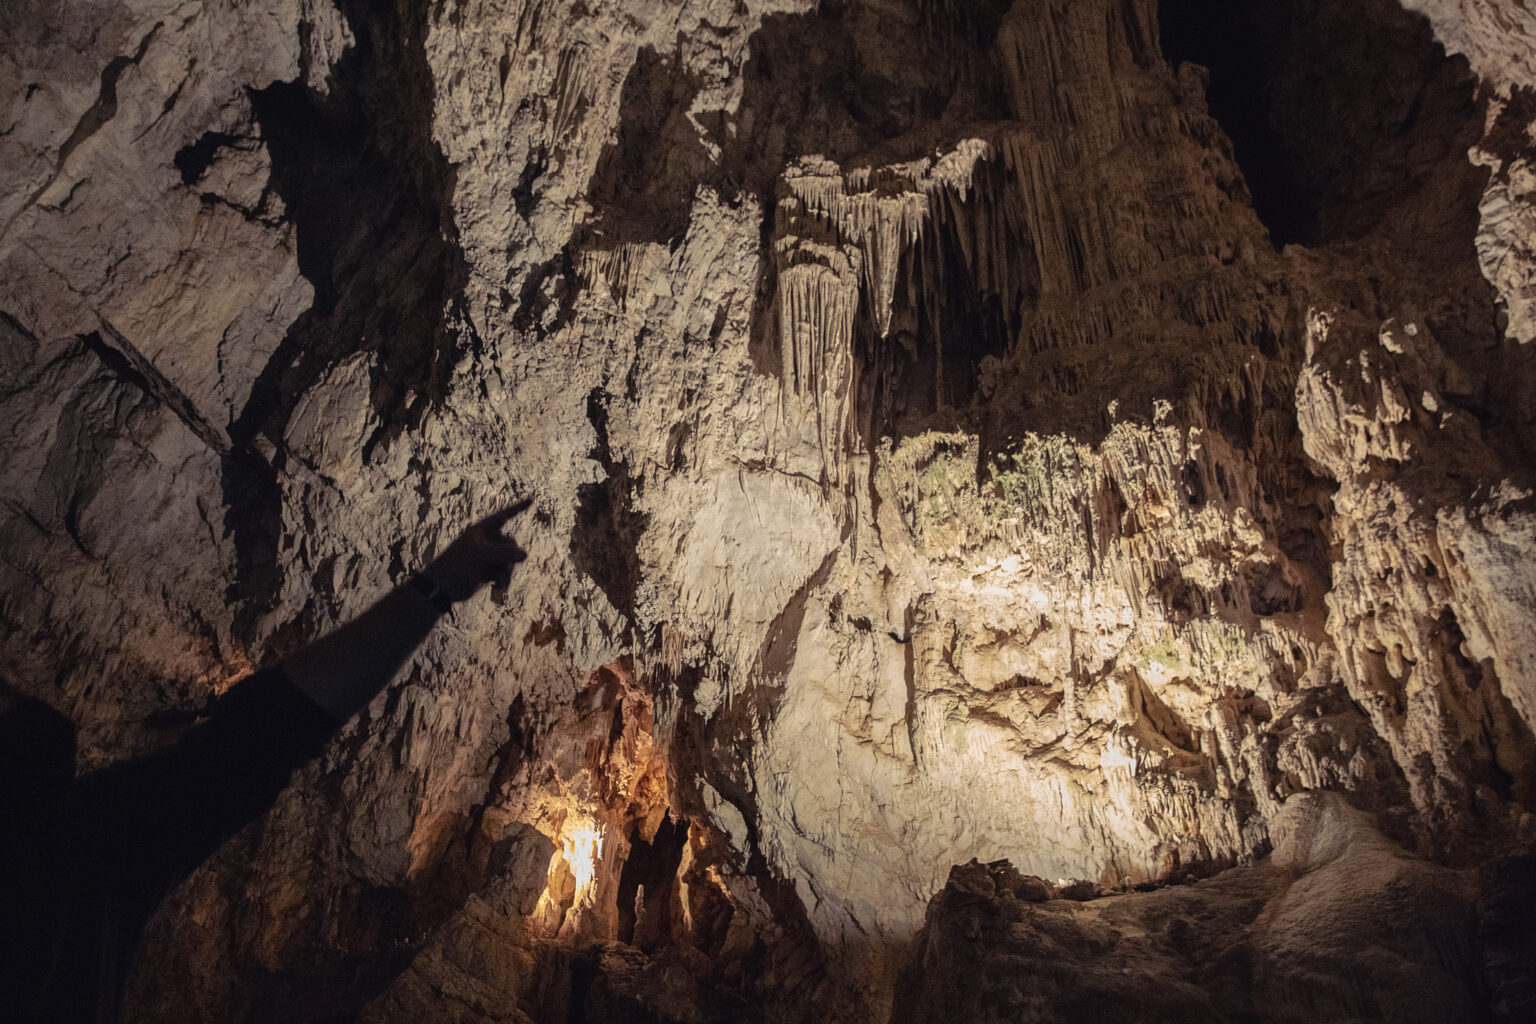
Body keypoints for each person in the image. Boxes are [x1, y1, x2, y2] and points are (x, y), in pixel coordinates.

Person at [0, 499, 534, 1023]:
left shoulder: (79, 846)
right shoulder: (75, 850)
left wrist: (441, 585)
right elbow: (265, 734)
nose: (16, 687)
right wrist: (439, 586)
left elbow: (261, 735)